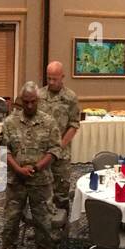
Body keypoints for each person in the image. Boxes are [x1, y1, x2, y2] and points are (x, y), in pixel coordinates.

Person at [0, 81, 61, 249]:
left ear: (38, 100)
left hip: (40, 179)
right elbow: (4, 150)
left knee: (43, 218)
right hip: (16, 179)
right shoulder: (10, 122)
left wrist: (38, 166)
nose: (30, 105)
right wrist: (18, 169)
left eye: (33, 101)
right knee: (11, 217)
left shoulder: (49, 123)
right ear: (21, 101)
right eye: (26, 102)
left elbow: (55, 150)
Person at [37, 61, 79, 219]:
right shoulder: (39, 95)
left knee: (61, 193)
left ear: (63, 77)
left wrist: (59, 147)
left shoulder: (70, 98)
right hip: (41, 153)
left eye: (55, 79)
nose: (52, 82)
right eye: (49, 78)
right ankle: (42, 228)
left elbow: (74, 125)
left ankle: (63, 230)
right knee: (42, 192)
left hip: (61, 153)